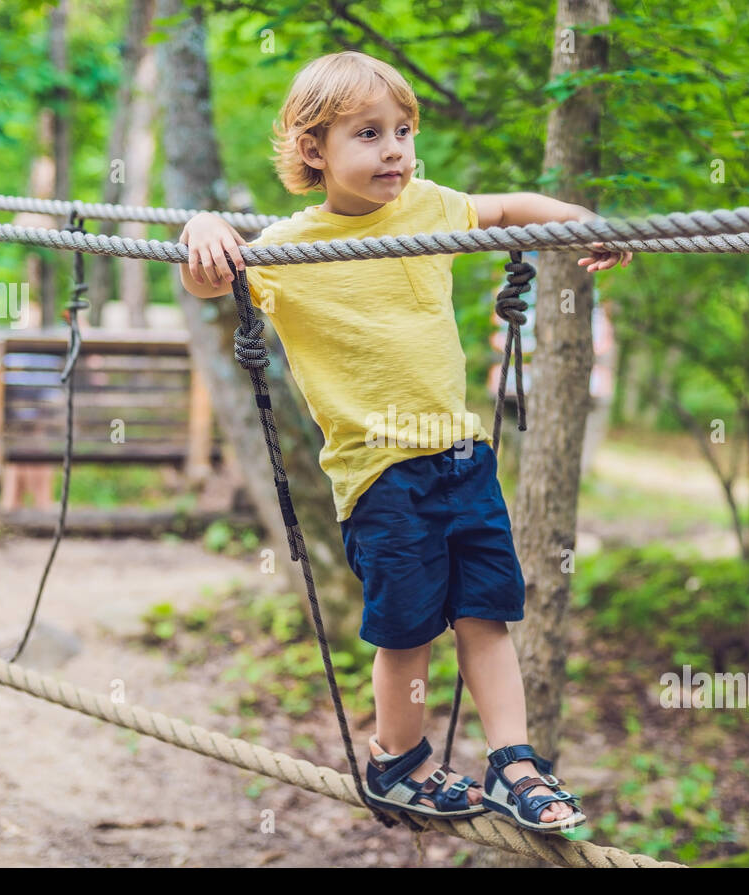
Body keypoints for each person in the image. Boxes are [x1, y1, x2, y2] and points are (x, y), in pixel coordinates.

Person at [178, 51, 631, 832]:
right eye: (368, 134)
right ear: (314, 150)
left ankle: (516, 761)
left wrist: (584, 224)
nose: (394, 149)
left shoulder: (429, 207)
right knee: (409, 629)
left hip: (462, 458)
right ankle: (400, 760)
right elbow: (210, 280)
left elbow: (510, 207)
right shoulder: (290, 246)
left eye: (404, 131)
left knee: (487, 615)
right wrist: (203, 224)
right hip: (382, 477)